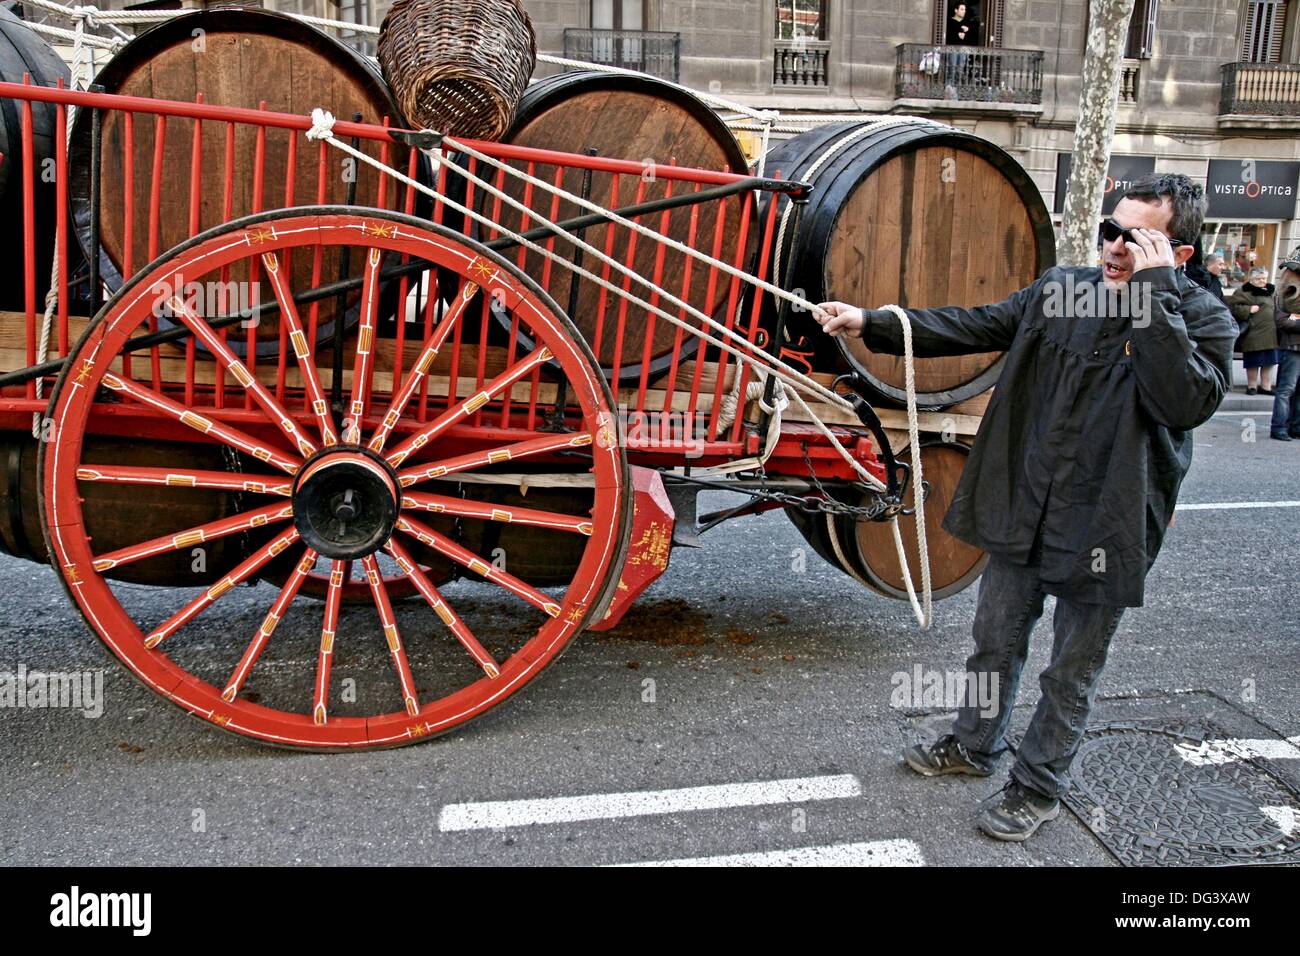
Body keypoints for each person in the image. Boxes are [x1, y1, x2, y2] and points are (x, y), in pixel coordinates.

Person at [814, 173, 1235, 842]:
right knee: (995, 640)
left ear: (1177, 253)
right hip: (1027, 502)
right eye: (1110, 230)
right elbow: (976, 324)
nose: (1115, 246)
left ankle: (1036, 787)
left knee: (1070, 669)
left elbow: (1183, 401)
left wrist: (1154, 300)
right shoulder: (1065, 290)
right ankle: (974, 745)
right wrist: (872, 322)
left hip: (1108, 519)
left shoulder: (1204, 319)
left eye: (1136, 237)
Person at [1229, 267, 1279, 395]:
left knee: (1269, 361)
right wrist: (1248, 309)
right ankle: (1252, 386)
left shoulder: (1271, 291)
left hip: (1271, 332)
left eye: (1264, 278)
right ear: (1251, 279)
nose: (1262, 281)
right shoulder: (1243, 291)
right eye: (1258, 278)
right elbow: (1234, 308)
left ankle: (1266, 386)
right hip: (1253, 332)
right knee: (1253, 361)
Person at [1270, 250, 1300, 441]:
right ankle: (1279, 427)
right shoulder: (1282, 293)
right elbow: (1283, 320)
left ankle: (1296, 427)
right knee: (1286, 389)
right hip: (1292, 348)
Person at [943, 3, 979, 95]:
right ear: (956, 10)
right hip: (953, 49)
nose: (964, 11)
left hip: (963, 50)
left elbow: (973, 37)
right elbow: (946, 36)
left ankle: (956, 91)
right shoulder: (949, 22)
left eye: (965, 10)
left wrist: (966, 32)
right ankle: (948, 91)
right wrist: (957, 34)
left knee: (960, 71)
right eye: (962, 9)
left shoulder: (967, 23)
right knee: (952, 69)